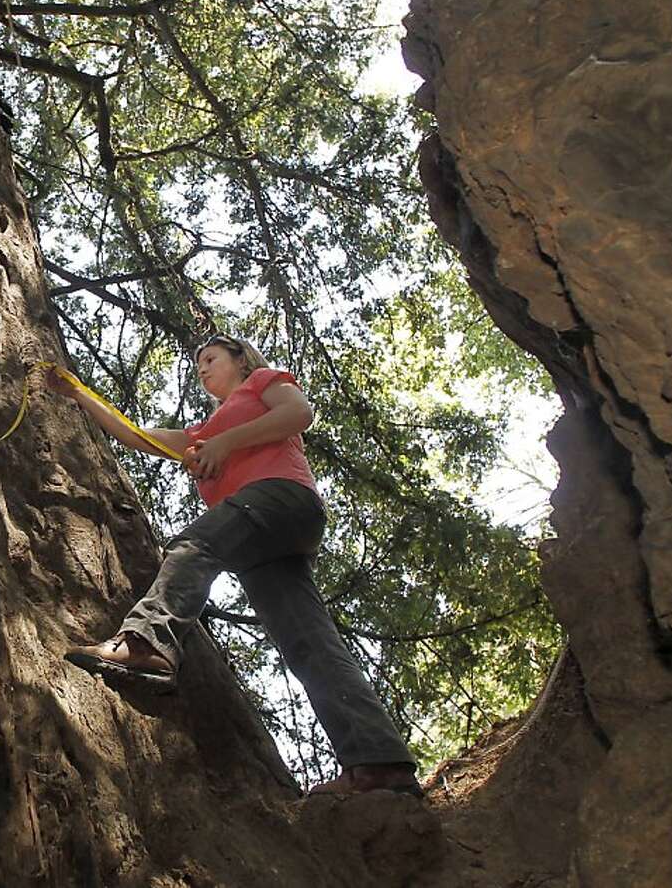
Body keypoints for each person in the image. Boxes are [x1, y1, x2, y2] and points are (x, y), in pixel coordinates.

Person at [48, 335, 422, 796]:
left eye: (211, 359)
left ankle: (148, 641)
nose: (202, 369)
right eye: (197, 364)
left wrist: (226, 442)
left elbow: (297, 414)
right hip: (263, 542)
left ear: (241, 360)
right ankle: (378, 763)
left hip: (282, 500)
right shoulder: (200, 433)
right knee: (309, 644)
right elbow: (137, 437)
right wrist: (79, 393)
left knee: (194, 545)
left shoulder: (262, 382)